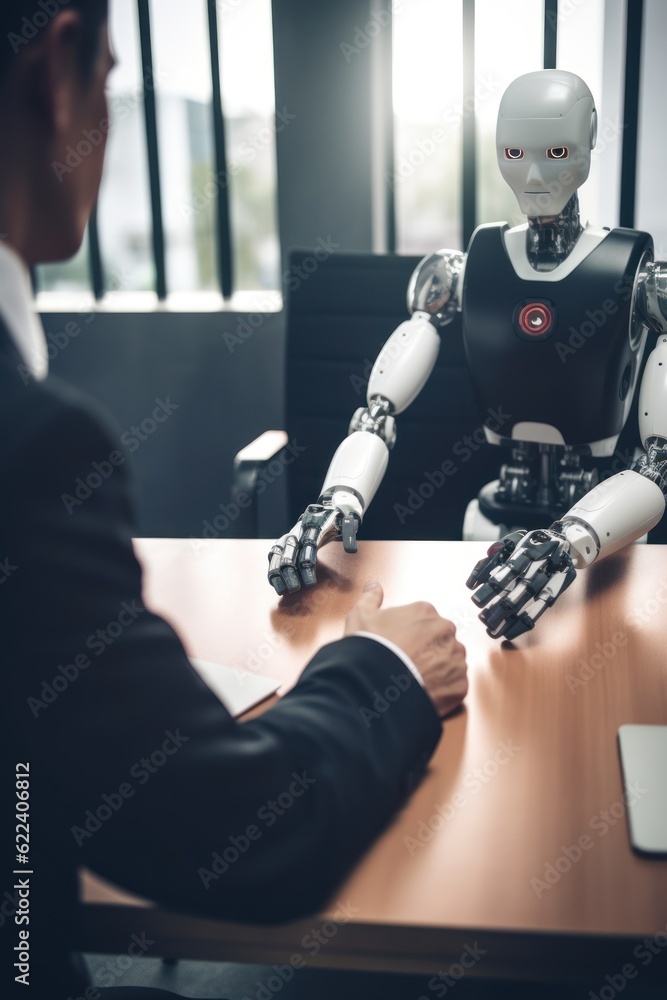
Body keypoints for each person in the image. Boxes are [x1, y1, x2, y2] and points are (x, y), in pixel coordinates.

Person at [0, 3, 467, 996]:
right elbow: (230, 827)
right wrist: (378, 667)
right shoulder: (31, 446)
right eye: (112, 81)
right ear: (56, 78)